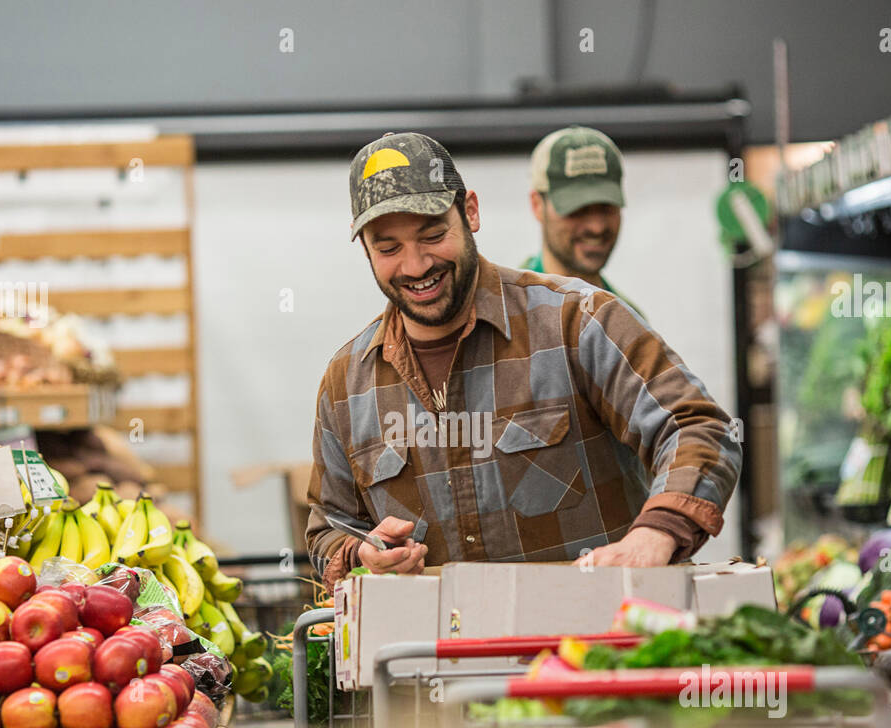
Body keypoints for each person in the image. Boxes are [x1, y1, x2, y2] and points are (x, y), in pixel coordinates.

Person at [306, 132, 739, 589]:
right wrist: (361, 554)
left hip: (593, 645)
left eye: (433, 235)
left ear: (470, 211)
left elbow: (697, 427)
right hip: (435, 655)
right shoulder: (346, 383)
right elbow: (327, 528)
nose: (415, 266)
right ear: (366, 249)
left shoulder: (576, 323)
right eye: (388, 248)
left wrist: (657, 533)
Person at [521, 125, 645, 320]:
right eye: (577, 209)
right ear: (537, 205)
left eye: (606, 207)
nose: (597, 227)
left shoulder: (628, 321)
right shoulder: (507, 313)